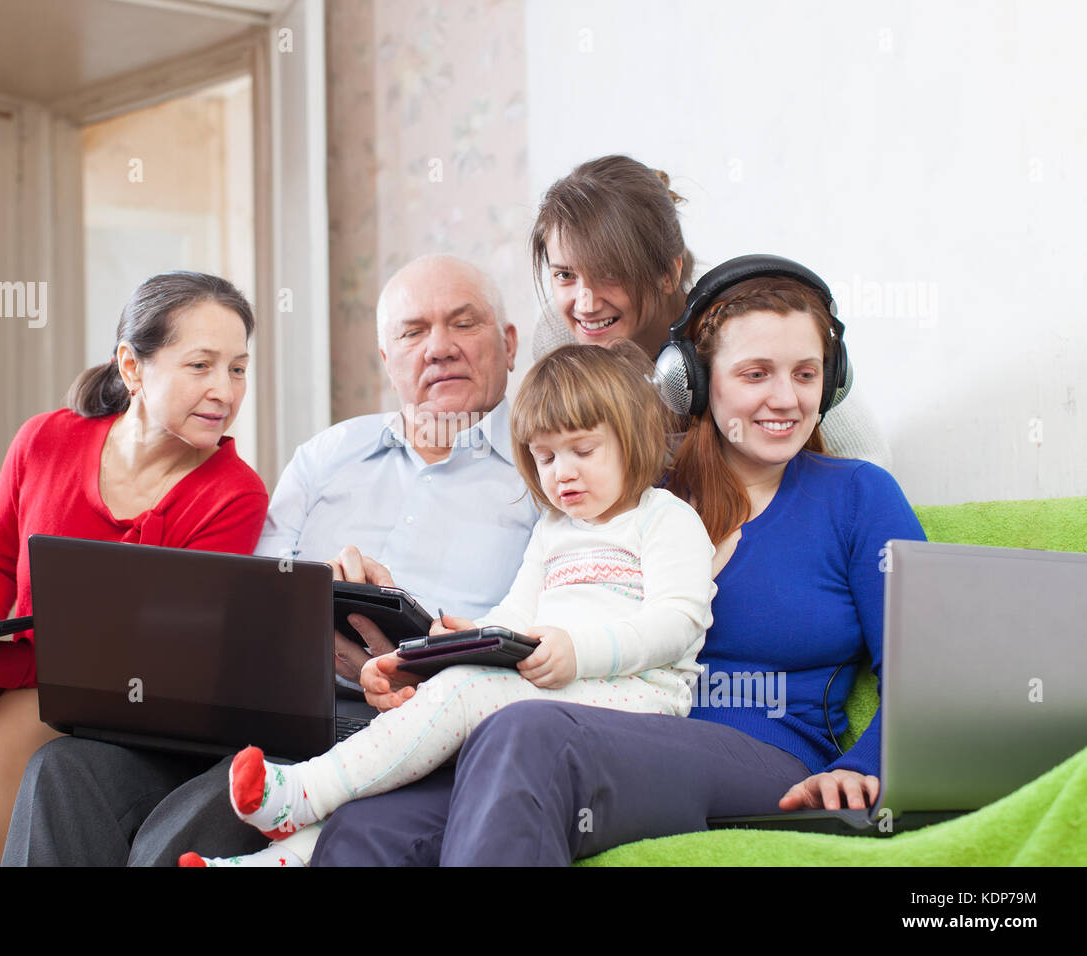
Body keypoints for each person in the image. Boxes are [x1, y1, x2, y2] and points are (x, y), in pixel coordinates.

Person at [312, 255, 927, 865]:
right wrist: (434, 664)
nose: (785, 398)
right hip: (598, 726)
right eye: (756, 373)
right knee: (374, 823)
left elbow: (927, 669)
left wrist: (857, 769)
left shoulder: (857, 496)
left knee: (528, 736)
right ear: (693, 380)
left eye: (806, 374)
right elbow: (541, 618)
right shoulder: (628, 494)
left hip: (761, 757)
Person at [2, 254, 541, 866]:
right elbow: (245, 603)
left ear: (509, 343)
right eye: (413, 332)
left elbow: (549, 632)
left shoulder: (549, 470)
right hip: (273, 706)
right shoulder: (326, 456)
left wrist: (438, 655)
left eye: (464, 324)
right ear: (388, 360)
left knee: (187, 829)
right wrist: (313, 627)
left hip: (406, 725)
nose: (439, 348)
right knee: (62, 774)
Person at [183, 342, 715, 865]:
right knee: (423, 724)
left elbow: (677, 622)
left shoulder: (663, 518)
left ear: (634, 439)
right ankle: (281, 858)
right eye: (546, 456)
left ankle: (305, 790)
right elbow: (516, 616)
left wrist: (579, 652)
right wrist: (457, 643)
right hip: (561, 687)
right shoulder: (556, 529)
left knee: (462, 693)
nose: (562, 473)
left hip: (641, 701)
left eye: (583, 450)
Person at [0, 271, 268, 866]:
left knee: (22, 717)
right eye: (201, 366)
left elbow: (145, 657)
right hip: (23, 668)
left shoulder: (233, 495)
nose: (225, 391)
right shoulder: (45, 439)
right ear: (132, 367)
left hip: (127, 696)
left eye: (237, 368)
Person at [530, 154, 892, 468]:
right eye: (565, 275)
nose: (585, 304)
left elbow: (867, 457)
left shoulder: (740, 314)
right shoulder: (555, 333)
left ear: (668, 273)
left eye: (610, 275)